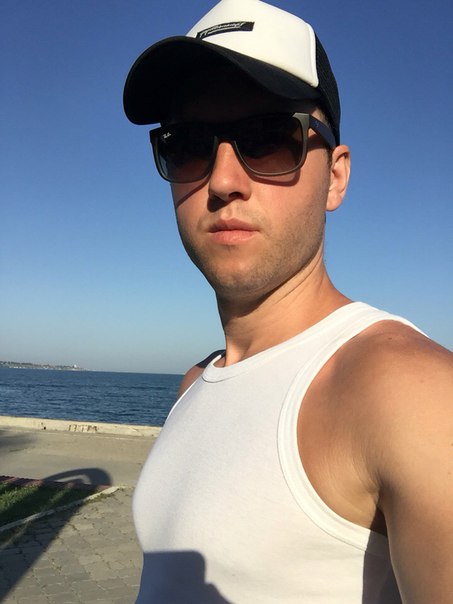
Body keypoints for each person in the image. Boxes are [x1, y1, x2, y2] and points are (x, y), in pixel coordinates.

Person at [123, 1, 453, 602]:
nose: (222, 181)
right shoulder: (196, 383)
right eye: (188, 144)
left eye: (269, 139)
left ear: (335, 177)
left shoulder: (410, 392)